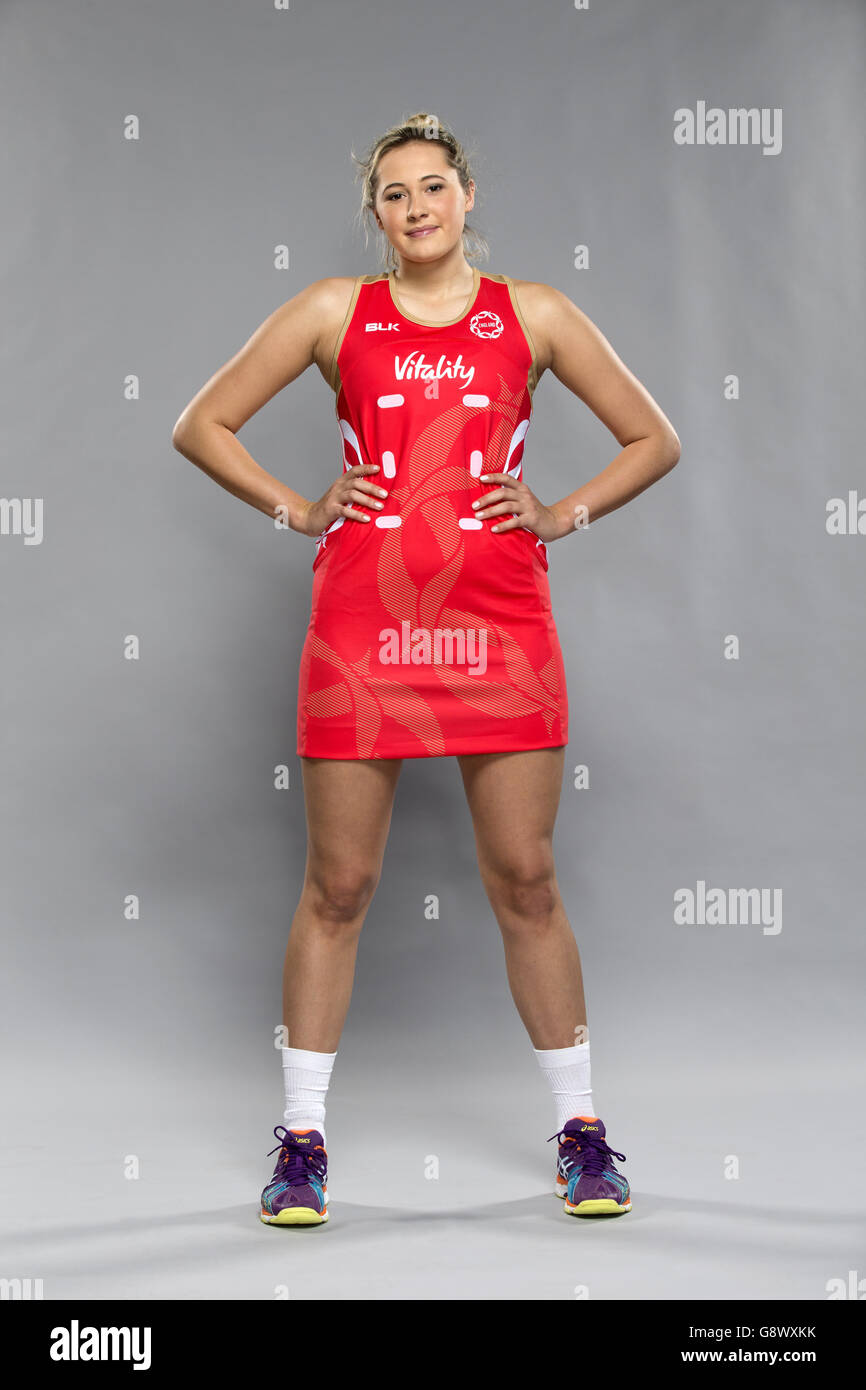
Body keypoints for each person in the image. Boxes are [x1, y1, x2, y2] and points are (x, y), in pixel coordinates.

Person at [171, 112, 680, 1228]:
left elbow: (654, 438)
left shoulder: (534, 313)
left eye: (433, 187)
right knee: (338, 887)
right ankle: (300, 1144)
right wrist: (295, 508)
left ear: (464, 198)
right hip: (362, 632)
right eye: (394, 193)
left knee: (525, 882)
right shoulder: (327, 312)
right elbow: (200, 423)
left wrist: (559, 513)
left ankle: (581, 1135)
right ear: (376, 212)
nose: (416, 208)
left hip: (499, 625)